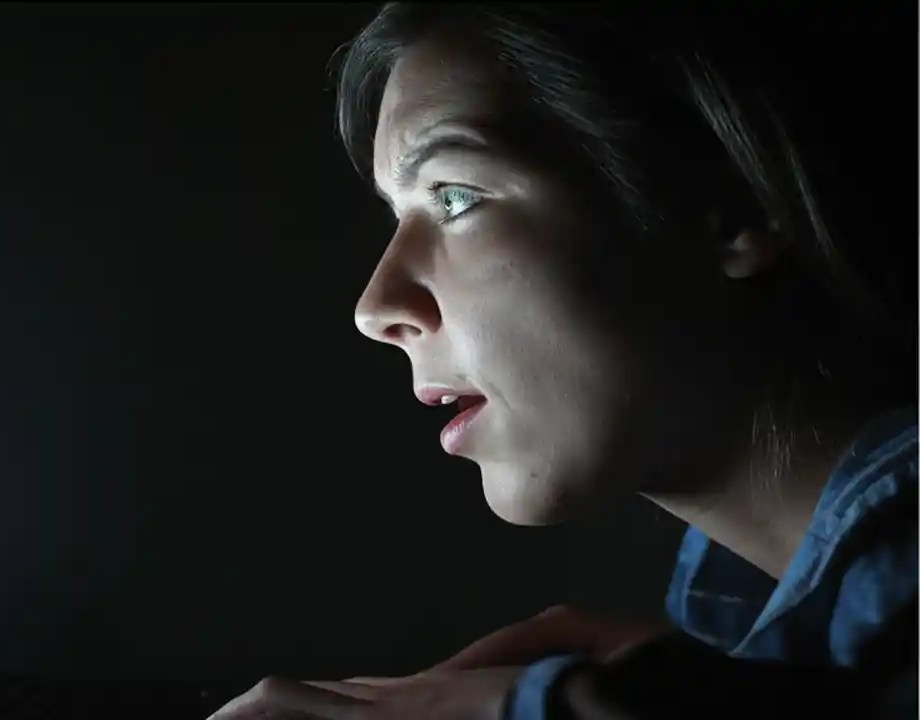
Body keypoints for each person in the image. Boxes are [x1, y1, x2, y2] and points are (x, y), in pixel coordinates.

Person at [209, 3, 916, 719]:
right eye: (400, 219)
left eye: (455, 197)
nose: (375, 306)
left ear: (729, 206)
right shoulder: (742, 642)